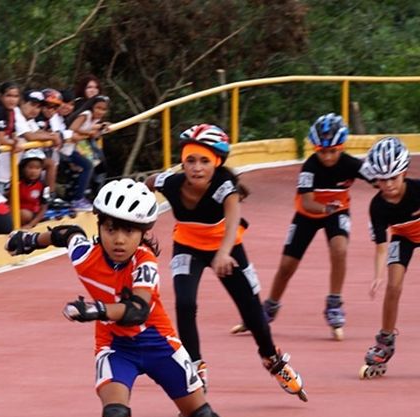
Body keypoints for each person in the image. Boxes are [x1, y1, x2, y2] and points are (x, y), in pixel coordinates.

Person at [5, 178, 315, 417]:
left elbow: (135, 312)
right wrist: (27, 240)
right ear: (100, 225)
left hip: (157, 343)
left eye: (130, 230)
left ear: (144, 233)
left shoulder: (145, 263)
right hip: (115, 347)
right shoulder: (83, 253)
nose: (120, 239)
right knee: (115, 416)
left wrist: (96, 310)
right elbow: (66, 233)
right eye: (111, 228)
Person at [147, 124, 307, 400]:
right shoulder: (170, 183)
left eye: (205, 161)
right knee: (184, 304)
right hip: (187, 246)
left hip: (226, 246)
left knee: (252, 312)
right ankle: (195, 368)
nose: (197, 168)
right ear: (182, 162)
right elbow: (149, 183)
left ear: (217, 163)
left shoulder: (224, 186)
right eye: (190, 160)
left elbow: (233, 218)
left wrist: (223, 253)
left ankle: (272, 358)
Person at [257, 114, 367, 340]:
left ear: (342, 147)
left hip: (337, 212)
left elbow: (380, 179)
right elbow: (307, 201)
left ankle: (334, 303)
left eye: (333, 151)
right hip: (308, 213)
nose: (327, 157)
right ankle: (269, 308)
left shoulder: (351, 164)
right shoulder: (309, 167)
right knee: (287, 265)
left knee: (340, 249)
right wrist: (326, 209)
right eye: (322, 151)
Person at [359, 136, 416, 379]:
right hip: (403, 237)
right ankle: (385, 341)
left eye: (393, 177)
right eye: (383, 179)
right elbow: (381, 246)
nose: (389, 184)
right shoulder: (377, 206)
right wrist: (377, 276)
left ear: (404, 173)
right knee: (393, 287)